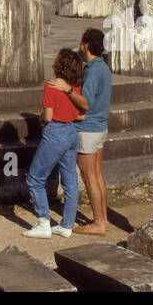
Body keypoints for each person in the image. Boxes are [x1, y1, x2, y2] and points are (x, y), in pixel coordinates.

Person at [48, 28, 111, 235]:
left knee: (88, 176)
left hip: (88, 128)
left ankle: (99, 222)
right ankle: (103, 219)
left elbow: (86, 103)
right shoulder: (103, 67)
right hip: (100, 126)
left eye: (81, 42)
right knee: (98, 174)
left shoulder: (92, 71)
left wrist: (66, 89)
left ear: (86, 45)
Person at [21, 47, 85, 238]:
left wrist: (40, 118)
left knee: (34, 179)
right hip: (72, 132)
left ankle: (43, 223)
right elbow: (80, 112)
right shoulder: (76, 87)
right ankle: (67, 225)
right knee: (70, 181)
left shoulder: (51, 86)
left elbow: (48, 116)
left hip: (55, 132)